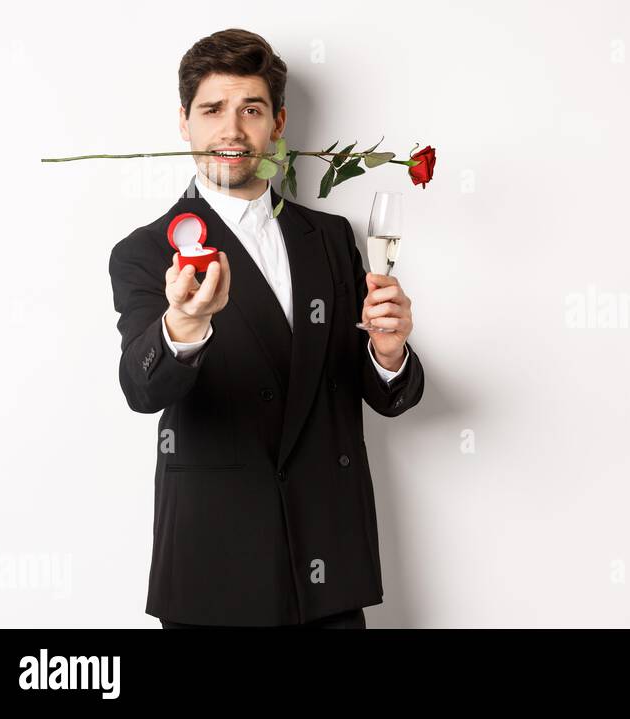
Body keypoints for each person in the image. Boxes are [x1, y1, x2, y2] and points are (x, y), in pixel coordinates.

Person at [107, 28, 424, 628]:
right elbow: (140, 389)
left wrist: (389, 352)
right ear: (184, 122)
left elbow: (380, 394)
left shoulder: (330, 238)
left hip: (328, 562)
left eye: (250, 109)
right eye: (212, 110)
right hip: (213, 569)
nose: (231, 129)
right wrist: (183, 324)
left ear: (277, 123)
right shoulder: (145, 252)